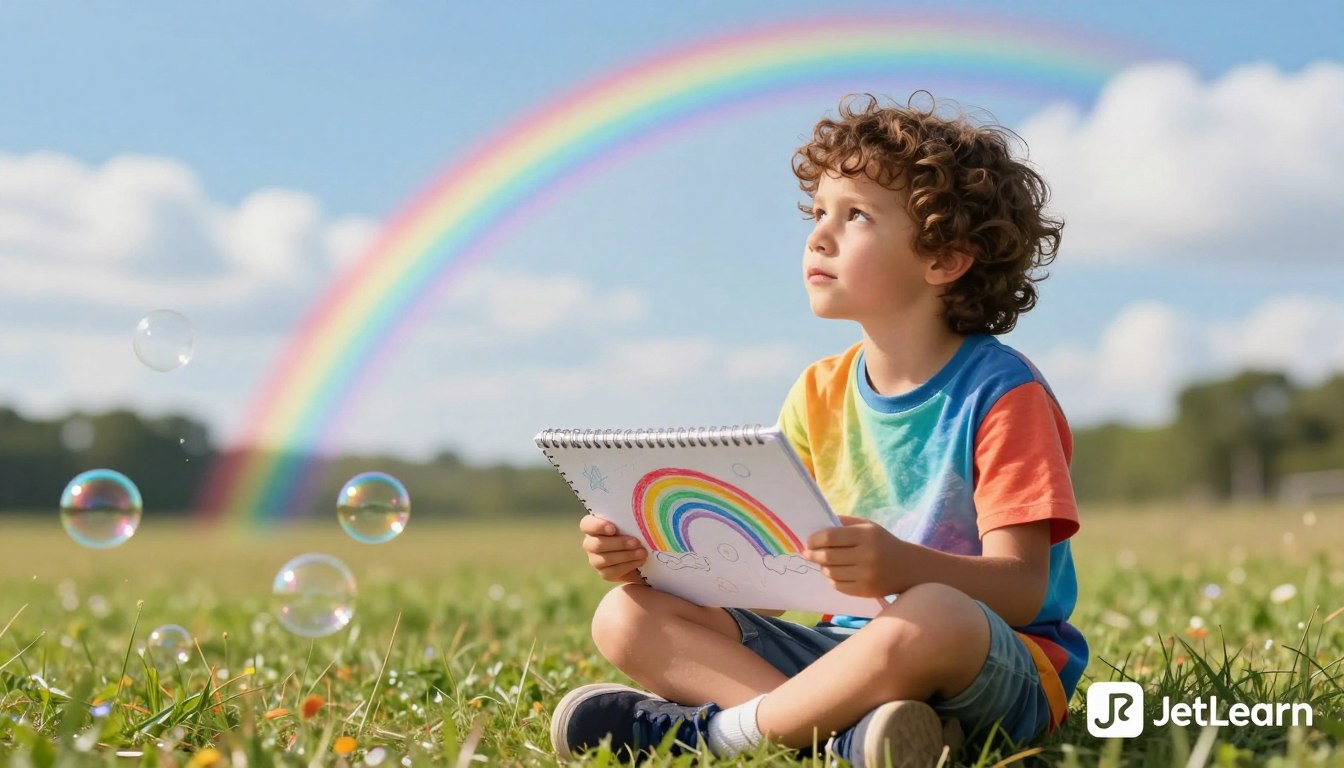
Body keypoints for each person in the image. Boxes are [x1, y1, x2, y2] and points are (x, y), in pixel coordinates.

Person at [549, 93, 1087, 768]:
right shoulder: (816, 393)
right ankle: (853, 741)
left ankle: (717, 737)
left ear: (946, 260)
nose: (818, 237)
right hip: (842, 654)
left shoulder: (1004, 393)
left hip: (990, 658)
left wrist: (906, 566)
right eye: (818, 214)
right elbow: (774, 578)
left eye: (856, 215)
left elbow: (1023, 588)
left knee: (933, 611)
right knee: (624, 617)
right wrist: (651, 561)